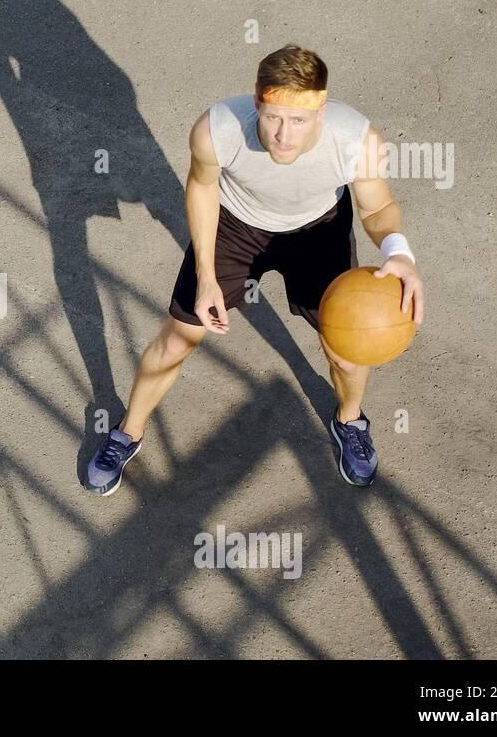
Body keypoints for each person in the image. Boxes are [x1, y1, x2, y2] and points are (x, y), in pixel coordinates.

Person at [85, 44, 425, 496]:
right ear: (257, 102)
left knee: (347, 347)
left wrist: (399, 253)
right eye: (273, 118)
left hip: (318, 231)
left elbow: (378, 206)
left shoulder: (356, 140)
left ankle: (350, 420)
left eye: (299, 120)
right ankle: (127, 432)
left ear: (321, 110)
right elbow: (203, 189)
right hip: (236, 224)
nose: (284, 135)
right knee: (178, 339)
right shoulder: (217, 130)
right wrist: (206, 276)